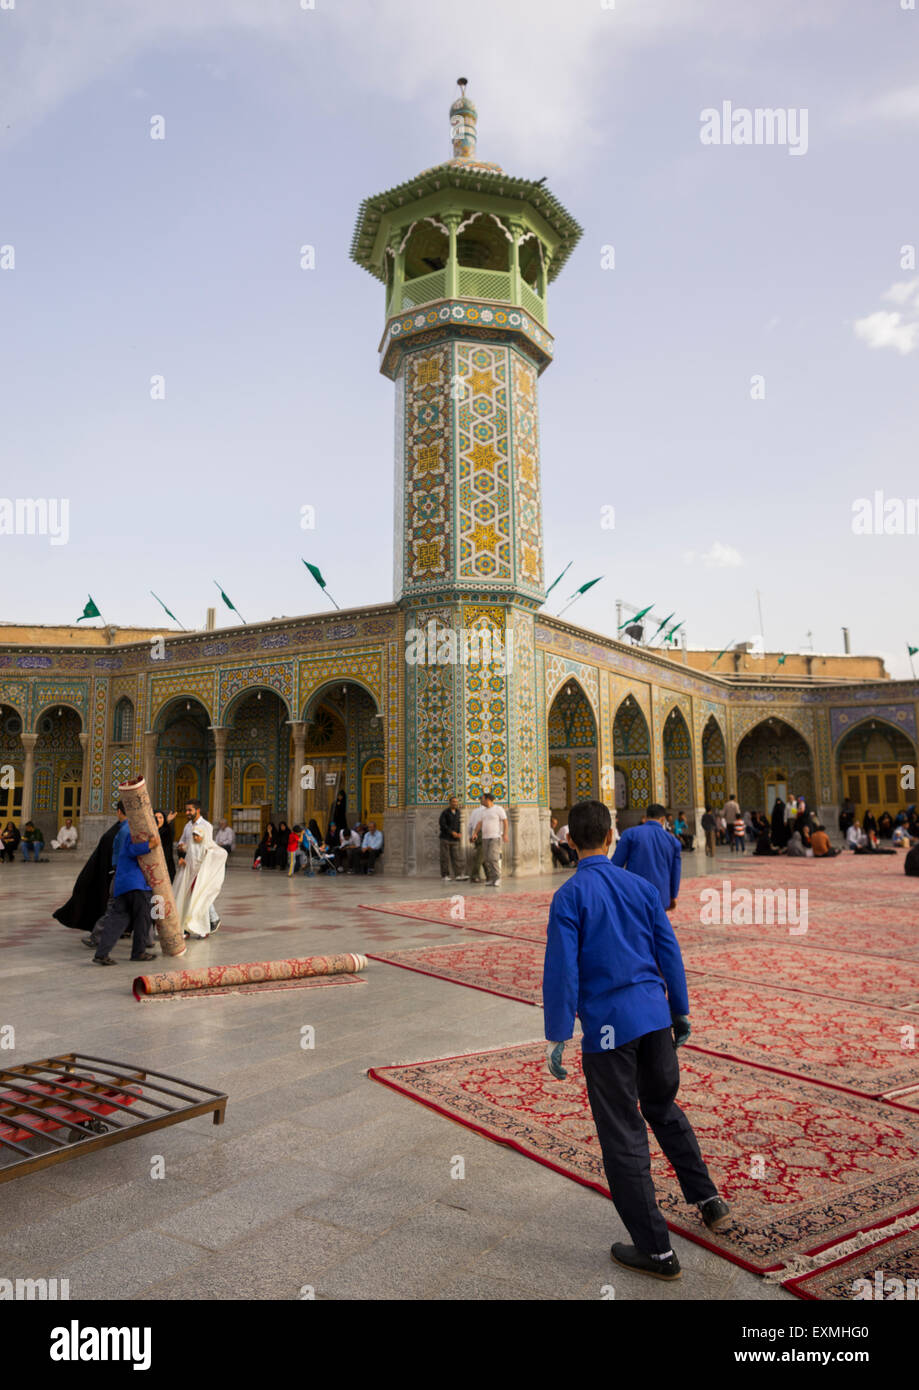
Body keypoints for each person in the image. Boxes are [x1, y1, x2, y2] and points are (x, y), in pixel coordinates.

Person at [543, 799, 729, 1281]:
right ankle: (708, 1199)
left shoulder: (569, 896)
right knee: (663, 1107)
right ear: (611, 838)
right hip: (653, 1019)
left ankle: (657, 1251)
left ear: (569, 842)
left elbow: (563, 970)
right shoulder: (641, 888)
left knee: (623, 1133)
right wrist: (680, 1010)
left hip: (609, 1029)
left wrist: (558, 1034)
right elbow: (669, 950)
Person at [91, 823, 160, 966]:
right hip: (137, 885)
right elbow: (131, 849)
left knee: (116, 921)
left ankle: (101, 953)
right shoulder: (135, 835)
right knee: (143, 919)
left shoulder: (130, 832)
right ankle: (138, 952)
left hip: (122, 886)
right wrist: (149, 845)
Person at [56, 803, 126, 933]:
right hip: (124, 877)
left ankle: (101, 937)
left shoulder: (116, 832)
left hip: (116, 876)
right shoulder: (124, 831)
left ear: (119, 812)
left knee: (119, 907)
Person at [611, 803, 680, 913]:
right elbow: (675, 872)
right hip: (661, 896)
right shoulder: (673, 841)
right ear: (663, 819)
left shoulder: (630, 834)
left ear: (646, 817)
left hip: (635, 894)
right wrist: (673, 895)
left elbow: (615, 865)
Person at [174, 817, 227, 938]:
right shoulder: (191, 846)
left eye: (197, 835)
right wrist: (183, 862)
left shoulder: (208, 847)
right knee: (187, 902)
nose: (195, 837)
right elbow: (188, 859)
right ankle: (186, 929)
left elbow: (222, 853)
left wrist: (208, 863)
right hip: (190, 879)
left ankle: (203, 929)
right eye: (193, 835)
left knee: (200, 903)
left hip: (200, 880)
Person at [468, 792, 508, 887]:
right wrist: (475, 833)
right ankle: (491, 878)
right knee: (486, 858)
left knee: (493, 857)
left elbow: (505, 822)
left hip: (495, 837)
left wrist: (505, 834)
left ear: (487, 799)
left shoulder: (498, 809)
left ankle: (497, 878)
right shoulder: (483, 811)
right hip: (485, 837)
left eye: (482, 798)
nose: (481, 800)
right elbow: (479, 823)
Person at [439, 796, 469, 882]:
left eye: (456, 802)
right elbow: (442, 824)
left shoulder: (458, 812)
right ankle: (445, 875)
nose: (455, 803)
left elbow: (458, 824)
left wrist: (458, 833)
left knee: (456, 857)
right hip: (445, 838)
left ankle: (458, 875)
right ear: (450, 803)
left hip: (455, 839)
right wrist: (451, 832)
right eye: (453, 802)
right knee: (445, 857)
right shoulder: (445, 812)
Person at [153, 809, 177, 880]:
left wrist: (168, 821)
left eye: (161, 818)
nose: (158, 820)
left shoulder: (167, 831)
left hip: (165, 865)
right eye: (156, 818)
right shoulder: (149, 832)